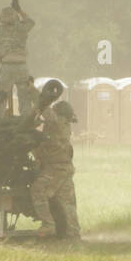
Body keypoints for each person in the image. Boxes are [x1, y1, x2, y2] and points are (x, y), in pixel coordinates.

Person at [29, 99, 81, 240]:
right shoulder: (63, 126)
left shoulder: (56, 123)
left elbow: (46, 111)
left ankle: (48, 224)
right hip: (65, 169)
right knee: (67, 203)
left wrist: (31, 90)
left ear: (59, 113)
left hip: (56, 169)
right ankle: (73, 235)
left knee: (38, 190)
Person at [0, 5, 35, 111]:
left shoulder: (0, 30)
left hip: (7, 67)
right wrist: (20, 11)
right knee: (24, 96)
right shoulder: (22, 28)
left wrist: (1, 23)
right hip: (22, 66)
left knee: (2, 95)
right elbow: (31, 22)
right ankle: (25, 118)